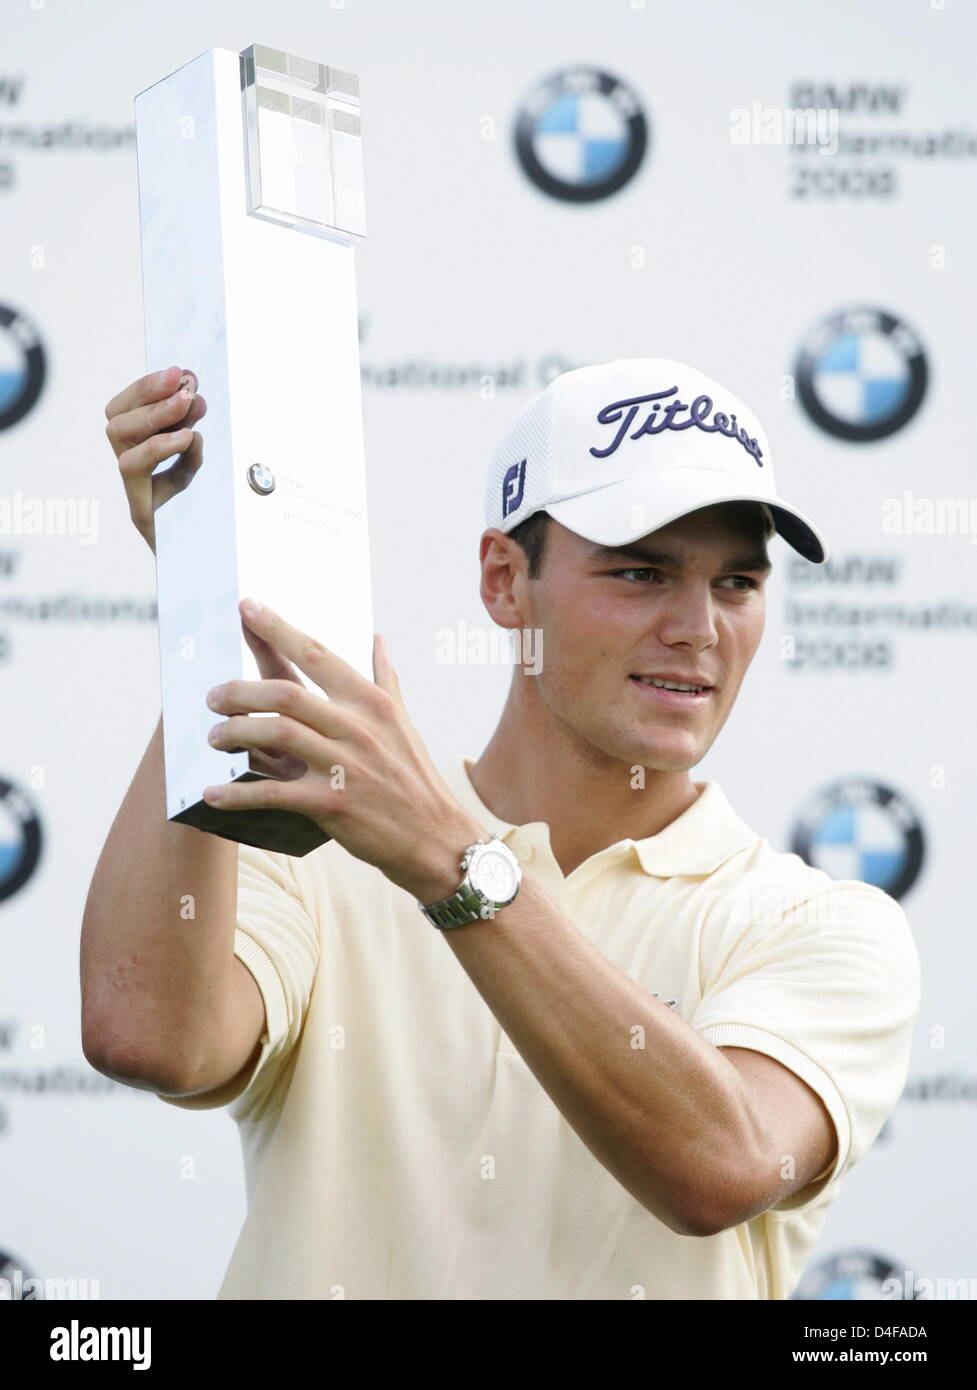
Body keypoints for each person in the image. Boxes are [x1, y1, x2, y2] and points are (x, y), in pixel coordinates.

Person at [83, 357, 921, 1300]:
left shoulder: (820, 927)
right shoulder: (326, 840)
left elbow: (722, 1167)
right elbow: (145, 1036)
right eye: (641, 572)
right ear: (503, 581)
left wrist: (451, 865)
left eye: (735, 583)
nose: (698, 627)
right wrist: (209, 592)